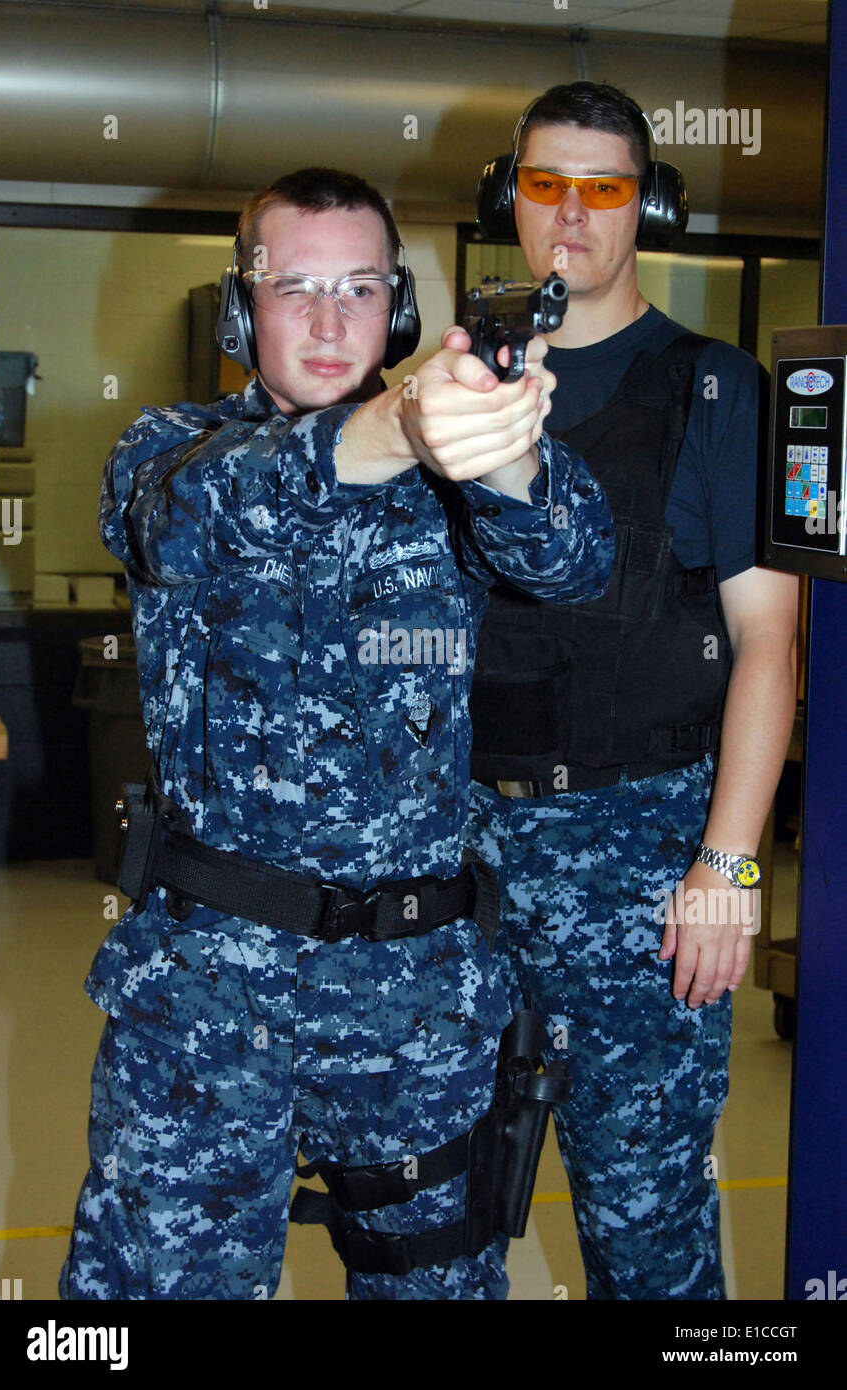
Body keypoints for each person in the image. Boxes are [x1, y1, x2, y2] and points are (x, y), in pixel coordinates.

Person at [59, 167, 613, 1301]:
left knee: (437, 1288)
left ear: (399, 309)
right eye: (293, 286)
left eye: (359, 289)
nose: (327, 320)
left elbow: (576, 562)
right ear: (238, 307)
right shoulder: (173, 455)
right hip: (212, 995)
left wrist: (501, 447)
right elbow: (232, 507)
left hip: (416, 990)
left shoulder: (451, 483)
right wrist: (403, 421)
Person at [468, 84, 798, 1300]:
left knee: (646, 1229)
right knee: (435, 1226)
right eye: (545, 182)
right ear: (511, 196)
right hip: (459, 864)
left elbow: (769, 642)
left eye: (603, 187)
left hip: (641, 860)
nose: (570, 214)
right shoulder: (451, 387)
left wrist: (731, 868)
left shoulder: (716, 391)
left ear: (644, 206)